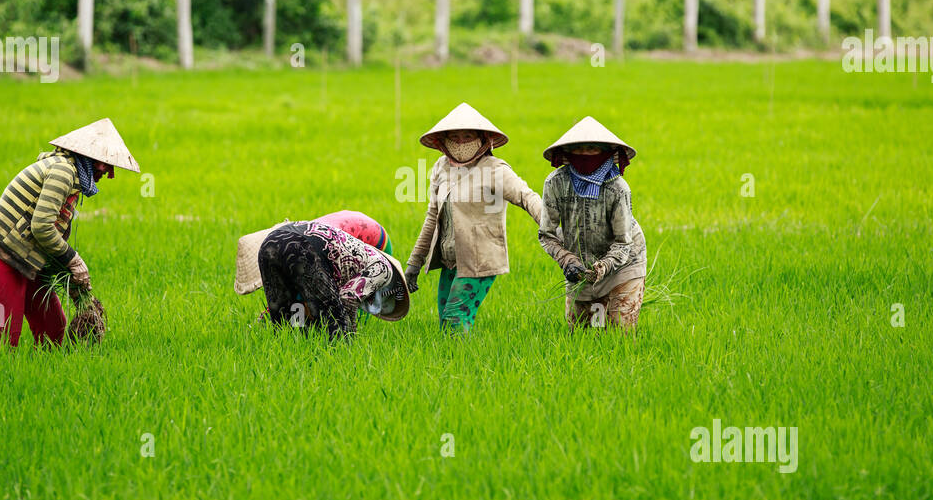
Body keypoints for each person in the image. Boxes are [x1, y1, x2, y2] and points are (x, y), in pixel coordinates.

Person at [0, 118, 139, 347]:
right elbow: (41, 227)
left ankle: (41, 376)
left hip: (30, 260)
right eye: (104, 163)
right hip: (1, 256)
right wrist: (74, 260)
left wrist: (71, 280)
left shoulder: (72, 177)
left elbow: (49, 234)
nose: (107, 171)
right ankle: (0, 376)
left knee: (53, 330)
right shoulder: (63, 171)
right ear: (88, 157)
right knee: (4, 336)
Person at [404, 102, 542, 332]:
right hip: (451, 259)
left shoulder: (495, 169)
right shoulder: (441, 167)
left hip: (479, 260)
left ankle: (459, 364)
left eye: (467, 136)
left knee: (455, 318)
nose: (460, 143)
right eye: (454, 137)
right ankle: (451, 365)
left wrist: (551, 226)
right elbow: (432, 218)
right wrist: (414, 264)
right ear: (444, 141)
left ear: (482, 139)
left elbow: (527, 197)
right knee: (445, 321)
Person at [538, 117, 647, 330]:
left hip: (624, 263)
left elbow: (623, 242)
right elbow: (547, 235)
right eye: (578, 149)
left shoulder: (618, 188)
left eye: (592, 148)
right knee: (579, 330)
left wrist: (604, 266)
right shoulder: (555, 183)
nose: (585, 154)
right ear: (568, 152)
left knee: (619, 329)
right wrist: (567, 259)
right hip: (580, 267)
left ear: (606, 151)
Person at [257, 220, 410, 339]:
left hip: (269, 244)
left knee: (285, 328)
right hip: (302, 248)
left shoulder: (357, 258)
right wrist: (350, 335)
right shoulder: (383, 268)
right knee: (337, 333)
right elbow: (348, 298)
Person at [234, 210, 394, 297]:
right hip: (351, 225)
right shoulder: (294, 239)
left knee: (355, 291)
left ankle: (356, 328)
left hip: (372, 237)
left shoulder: (300, 247)